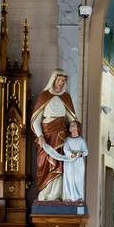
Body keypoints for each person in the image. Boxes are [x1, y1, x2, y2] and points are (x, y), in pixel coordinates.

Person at [31, 69, 79, 200]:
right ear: (53, 80)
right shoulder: (44, 96)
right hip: (47, 135)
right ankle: (47, 192)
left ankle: (59, 193)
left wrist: (75, 130)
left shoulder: (66, 97)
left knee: (61, 162)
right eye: (59, 80)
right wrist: (40, 135)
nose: (61, 83)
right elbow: (36, 119)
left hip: (61, 135)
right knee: (46, 162)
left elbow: (71, 119)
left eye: (63, 81)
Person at [59, 120, 88, 204]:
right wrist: (71, 154)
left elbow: (86, 152)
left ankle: (79, 197)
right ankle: (69, 197)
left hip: (78, 163)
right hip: (69, 162)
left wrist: (80, 154)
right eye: (70, 125)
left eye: (73, 125)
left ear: (77, 128)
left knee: (78, 180)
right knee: (69, 178)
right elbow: (65, 149)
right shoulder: (67, 140)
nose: (71, 127)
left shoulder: (81, 140)